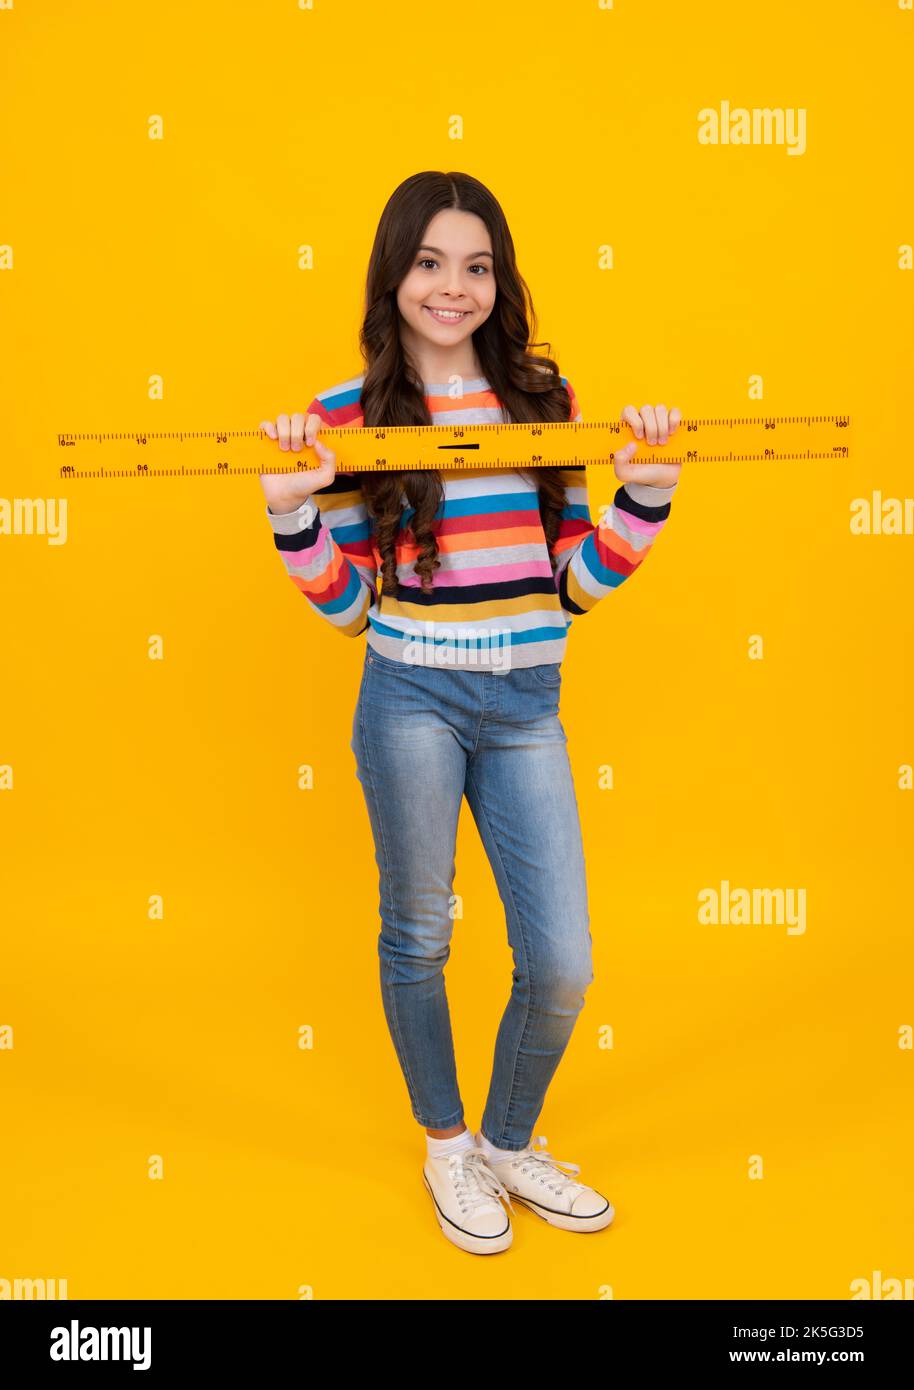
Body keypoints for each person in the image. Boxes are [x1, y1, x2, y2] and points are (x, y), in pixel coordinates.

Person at [258, 171, 682, 1256]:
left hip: (527, 701)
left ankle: (505, 1138)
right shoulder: (340, 420)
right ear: (393, 274)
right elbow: (353, 609)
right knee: (418, 930)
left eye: (477, 265)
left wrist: (644, 494)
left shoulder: (547, 403)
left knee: (562, 962)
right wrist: (291, 514)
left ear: (500, 280)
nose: (453, 287)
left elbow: (575, 586)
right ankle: (446, 1142)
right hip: (408, 697)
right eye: (430, 262)